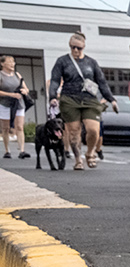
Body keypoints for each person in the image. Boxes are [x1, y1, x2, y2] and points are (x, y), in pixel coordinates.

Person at [48, 32, 117, 169]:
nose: (75, 50)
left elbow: (102, 82)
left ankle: (90, 153)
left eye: (78, 48)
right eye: (73, 47)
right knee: (74, 132)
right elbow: (55, 80)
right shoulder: (62, 61)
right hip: (69, 99)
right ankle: (78, 160)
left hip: (89, 99)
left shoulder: (91, 62)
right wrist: (53, 96)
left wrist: (111, 99)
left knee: (93, 130)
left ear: (83, 47)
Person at [0, 55, 28, 158]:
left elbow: (26, 88)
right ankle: (7, 150)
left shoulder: (17, 75)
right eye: (9, 62)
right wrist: (10, 94)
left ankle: (22, 150)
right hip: (5, 104)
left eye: (13, 62)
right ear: (2, 64)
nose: (12, 64)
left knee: (20, 127)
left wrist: (25, 91)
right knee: (5, 128)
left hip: (18, 103)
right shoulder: (1, 75)